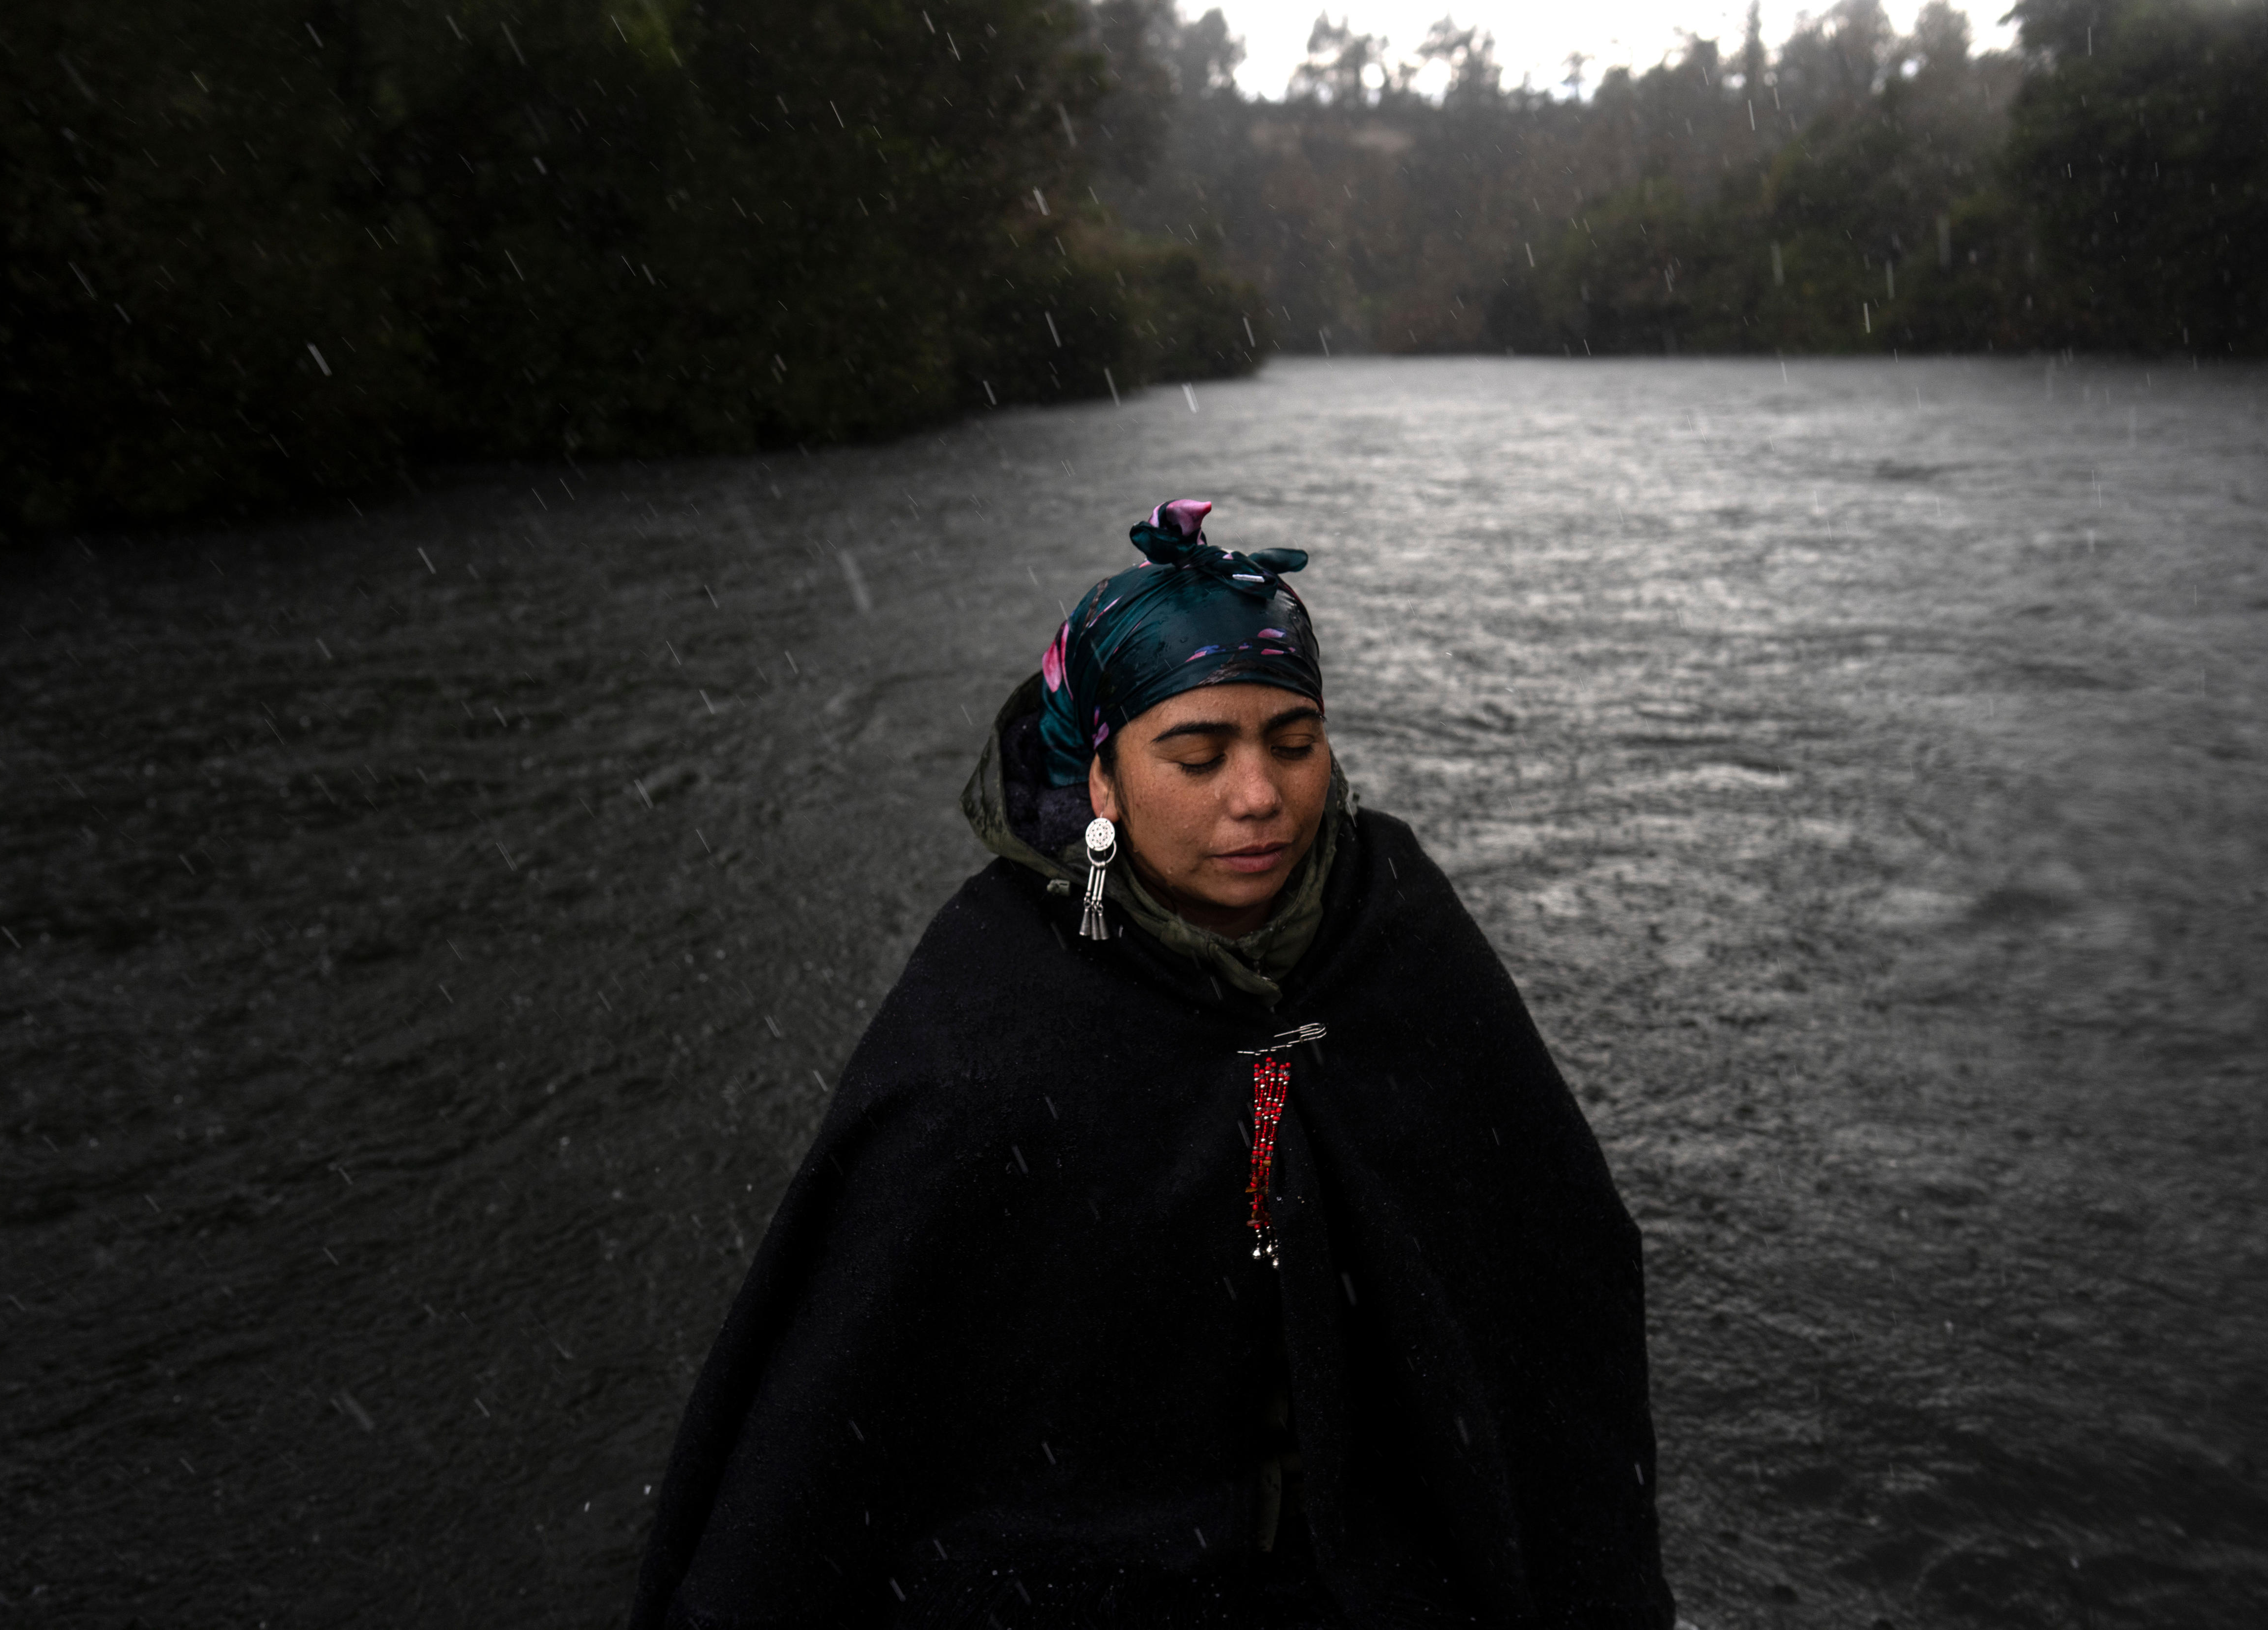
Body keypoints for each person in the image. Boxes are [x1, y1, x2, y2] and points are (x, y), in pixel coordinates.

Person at [631, 501, 1673, 1629]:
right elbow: (847, 1393)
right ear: (1101, 780)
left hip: (1392, 1565)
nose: (1258, 796)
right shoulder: (1001, 1009)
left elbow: (1555, 1268)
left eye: (1293, 742)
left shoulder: (1396, 929)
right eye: (1197, 752)